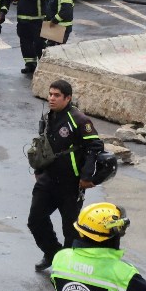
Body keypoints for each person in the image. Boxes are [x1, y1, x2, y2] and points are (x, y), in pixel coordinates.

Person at [30, 80, 104, 271]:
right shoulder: (49, 117)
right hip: (48, 179)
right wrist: (39, 171)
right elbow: (43, 146)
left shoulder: (79, 120)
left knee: (70, 229)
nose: (51, 99)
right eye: (50, 94)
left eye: (56, 95)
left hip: (70, 184)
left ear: (67, 98)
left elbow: (94, 146)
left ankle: (69, 266)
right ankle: (52, 254)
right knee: (36, 220)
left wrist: (87, 177)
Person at [14, 0, 50, 75]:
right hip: (23, 20)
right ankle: (30, 64)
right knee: (25, 43)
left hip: (37, 20)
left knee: (39, 44)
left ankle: (44, 66)